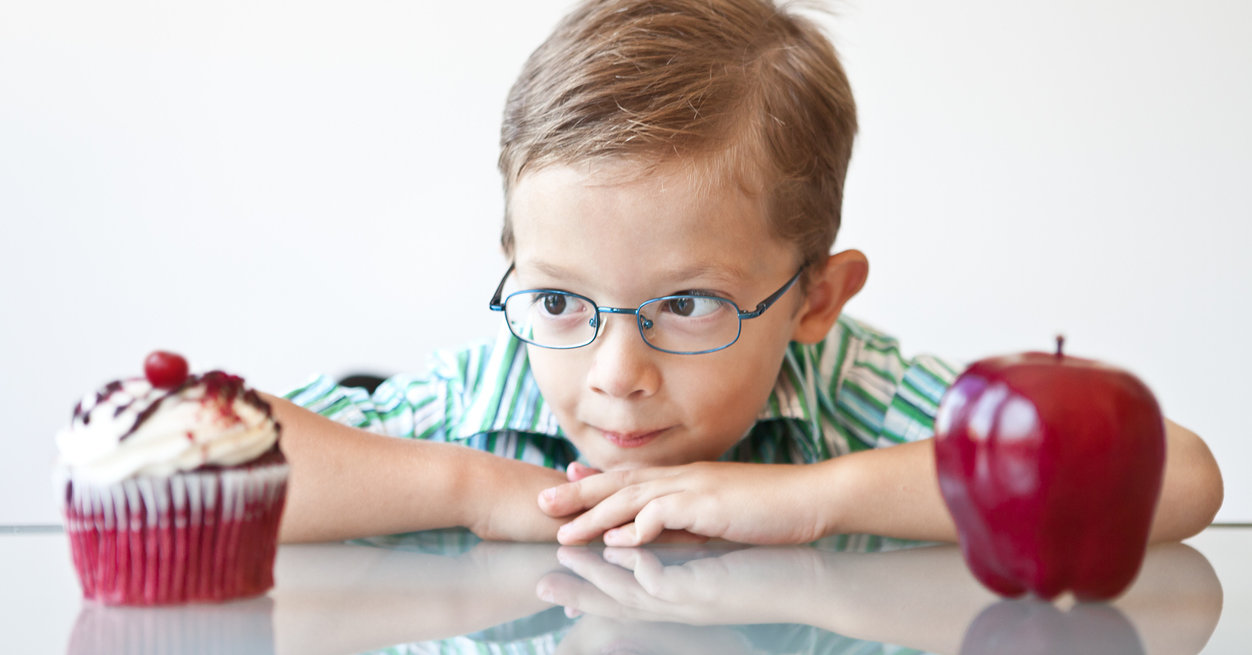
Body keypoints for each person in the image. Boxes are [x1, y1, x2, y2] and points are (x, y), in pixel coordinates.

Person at [270, 0, 1223, 546]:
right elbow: (192, 448)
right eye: (559, 299)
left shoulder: (848, 391)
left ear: (815, 300)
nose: (613, 372)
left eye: (684, 304)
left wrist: (815, 496)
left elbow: (1179, 481)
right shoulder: (493, 394)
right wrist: (474, 493)